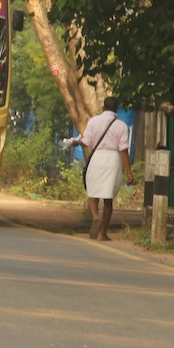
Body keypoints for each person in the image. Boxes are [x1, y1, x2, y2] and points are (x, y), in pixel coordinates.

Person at [73, 96, 135, 241]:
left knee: (93, 194)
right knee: (108, 198)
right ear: (117, 109)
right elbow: (124, 149)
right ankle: (103, 233)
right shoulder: (121, 126)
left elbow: (86, 141)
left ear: (103, 107)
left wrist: (75, 142)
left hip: (97, 158)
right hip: (112, 160)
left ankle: (95, 217)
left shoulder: (94, 121)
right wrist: (129, 171)